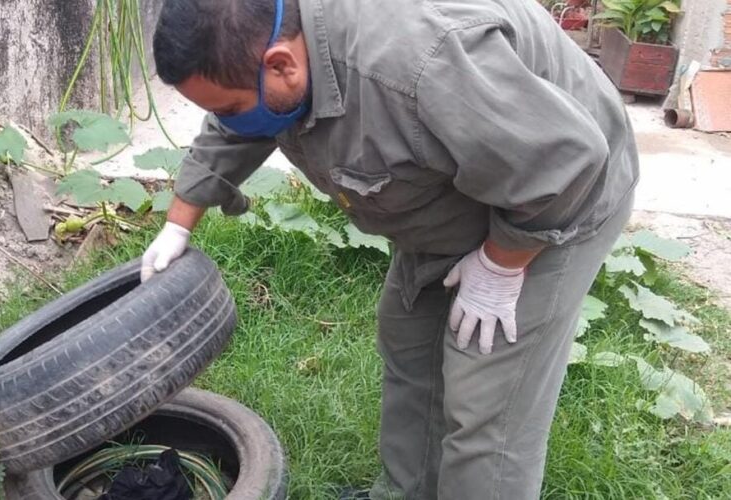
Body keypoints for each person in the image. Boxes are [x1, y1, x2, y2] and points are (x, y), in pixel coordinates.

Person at [143, 0, 638, 498]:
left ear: (282, 64)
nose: (228, 119)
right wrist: (178, 225)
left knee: (485, 399)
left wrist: (499, 267)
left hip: (554, 195)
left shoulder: (420, 63)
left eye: (229, 108)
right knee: (411, 343)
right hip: (458, 176)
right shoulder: (267, 46)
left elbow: (564, 164)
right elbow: (240, 117)